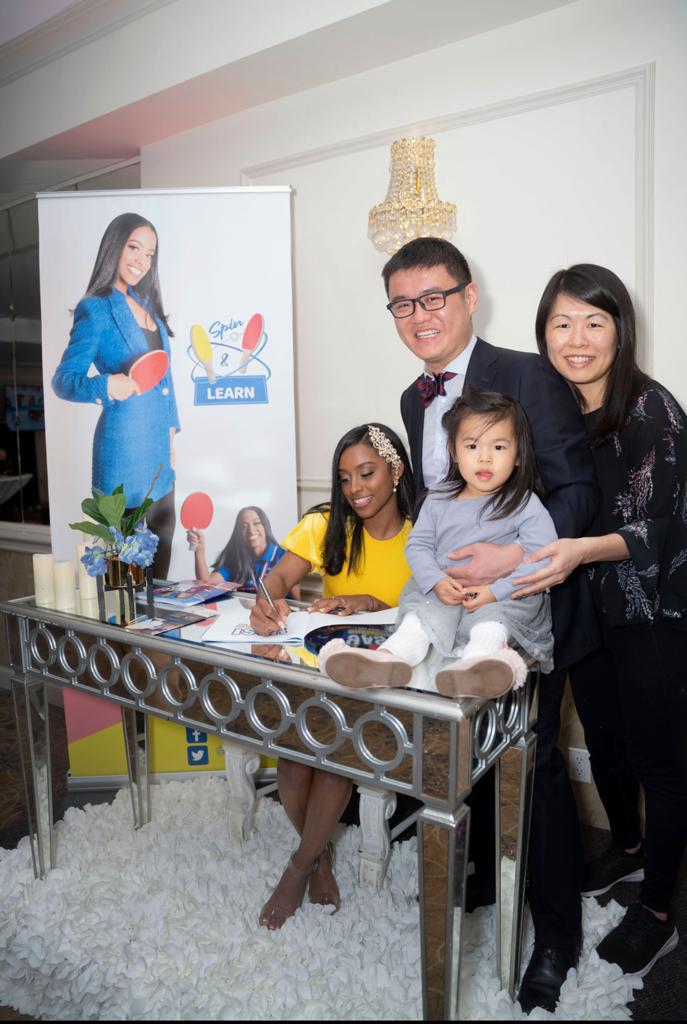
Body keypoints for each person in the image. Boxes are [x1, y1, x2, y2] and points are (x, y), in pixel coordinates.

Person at [384, 237, 598, 1013]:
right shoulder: (414, 399)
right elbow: (436, 512)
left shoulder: (525, 372)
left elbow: (575, 491)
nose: (420, 315)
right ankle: (480, 885)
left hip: (524, 610)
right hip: (455, 611)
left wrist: (505, 558)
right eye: (403, 303)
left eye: (433, 297)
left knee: (532, 770)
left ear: (468, 297)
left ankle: (557, 937)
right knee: (463, 751)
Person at [513, 263, 687, 979]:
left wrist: (579, 548)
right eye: (560, 323)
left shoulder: (652, 410)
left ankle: (656, 912)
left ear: (619, 331)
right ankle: (627, 844)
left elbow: (659, 527)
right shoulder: (550, 416)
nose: (575, 338)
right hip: (583, 611)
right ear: (543, 333)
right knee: (606, 741)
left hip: (651, 611)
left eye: (592, 321)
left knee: (659, 760)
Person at [248, 422, 416, 929]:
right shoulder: (327, 524)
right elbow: (275, 576)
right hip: (326, 674)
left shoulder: (425, 529)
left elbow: (434, 610)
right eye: (344, 479)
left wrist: (374, 603)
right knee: (294, 763)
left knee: (334, 758)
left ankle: (298, 867)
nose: (355, 490)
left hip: (392, 683)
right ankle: (318, 855)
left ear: (396, 471)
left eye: (366, 474)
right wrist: (269, 597)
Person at [321, 387, 555, 697]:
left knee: (493, 620)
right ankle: (389, 658)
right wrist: (436, 581)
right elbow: (417, 547)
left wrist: (494, 591)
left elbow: (545, 558)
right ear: (455, 452)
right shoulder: (438, 499)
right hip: (444, 590)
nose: (485, 457)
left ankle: (478, 663)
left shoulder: (524, 503)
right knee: (420, 614)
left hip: (504, 594)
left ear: (518, 456)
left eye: (498, 447)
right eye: (472, 446)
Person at [52, 212, 180, 578]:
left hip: (160, 461)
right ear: (115, 246)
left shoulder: (151, 309)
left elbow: (165, 380)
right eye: (134, 248)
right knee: (124, 575)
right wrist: (107, 385)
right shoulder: (95, 308)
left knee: (161, 558)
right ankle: (124, 636)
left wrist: (172, 430)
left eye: (150, 254)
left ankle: (154, 635)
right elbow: (65, 379)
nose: (142, 261)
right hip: (121, 457)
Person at [187, 505, 296, 595]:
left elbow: (298, 603)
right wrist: (199, 549)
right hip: (248, 618)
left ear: (265, 526)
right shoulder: (237, 561)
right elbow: (207, 586)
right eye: (244, 526)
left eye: (257, 523)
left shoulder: (286, 558)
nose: (251, 531)